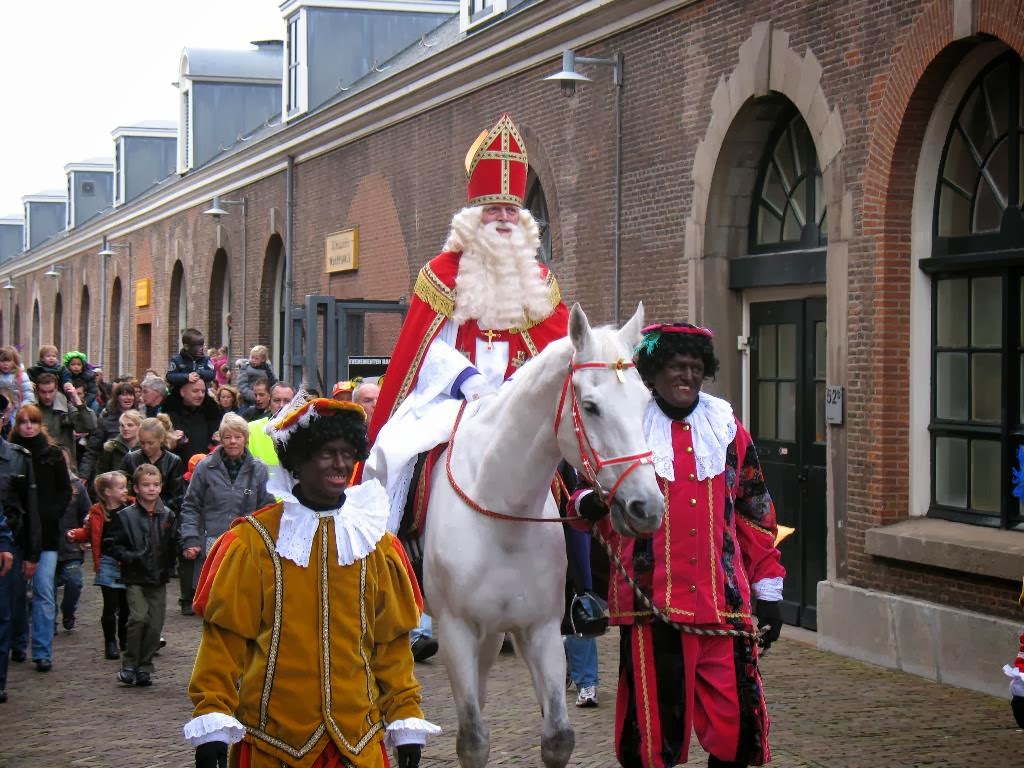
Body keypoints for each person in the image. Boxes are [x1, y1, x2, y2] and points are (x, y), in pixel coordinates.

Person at [184, 389, 438, 768]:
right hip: (273, 746)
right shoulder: (253, 543)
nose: (340, 464)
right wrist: (212, 721)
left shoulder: (375, 544)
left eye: (347, 454)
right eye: (327, 453)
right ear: (299, 461)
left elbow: (391, 648)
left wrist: (404, 714)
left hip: (358, 744)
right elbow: (223, 645)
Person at [571, 323, 785, 768]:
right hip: (654, 608)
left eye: (695, 366)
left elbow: (755, 511)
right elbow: (581, 493)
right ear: (654, 372)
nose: (687, 375)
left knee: (735, 732)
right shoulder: (629, 424)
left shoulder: (726, 428)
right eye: (675, 366)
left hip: (723, 607)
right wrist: (588, 502)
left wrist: (768, 589)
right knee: (653, 742)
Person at [365, 113, 569, 519]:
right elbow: (428, 351)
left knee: (577, 472)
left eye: (512, 210)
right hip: (453, 399)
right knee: (395, 452)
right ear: (474, 218)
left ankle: (583, 576)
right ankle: (393, 547)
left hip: (520, 402)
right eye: (494, 209)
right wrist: (469, 381)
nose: (505, 219)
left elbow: (559, 352)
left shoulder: (540, 281)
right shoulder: (440, 275)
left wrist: (519, 387)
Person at [10, 404, 72, 672]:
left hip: (46, 534)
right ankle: (19, 642)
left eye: (33, 422)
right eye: (23, 422)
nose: (28, 426)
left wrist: (52, 514)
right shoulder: (11, 455)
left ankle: (42, 650)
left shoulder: (53, 455)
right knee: (16, 593)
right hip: (17, 534)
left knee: (44, 591)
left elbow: (64, 491)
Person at [103, 464, 177, 687]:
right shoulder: (124, 516)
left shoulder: (168, 515)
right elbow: (110, 544)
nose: (151, 489)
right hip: (134, 575)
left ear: (161, 487)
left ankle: (144, 666)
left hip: (158, 577)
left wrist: (184, 551)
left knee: (155, 625)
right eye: (146, 485)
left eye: (155, 485)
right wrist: (131, 557)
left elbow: (174, 541)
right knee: (138, 618)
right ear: (136, 488)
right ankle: (129, 664)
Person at [179, 412, 274, 577]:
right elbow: (191, 506)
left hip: (246, 546)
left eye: (238, 437)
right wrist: (191, 538)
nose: (233, 441)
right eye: (227, 437)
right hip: (210, 545)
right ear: (221, 439)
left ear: (246, 439)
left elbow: (267, 510)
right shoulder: (204, 468)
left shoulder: (259, 470)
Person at [121, 418, 187, 612]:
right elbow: (124, 487)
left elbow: (177, 494)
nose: (146, 447)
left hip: (162, 515)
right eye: (142, 443)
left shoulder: (173, 461)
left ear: (161, 440)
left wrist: (158, 509)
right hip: (135, 514)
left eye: (151, 443)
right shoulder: (132, 458)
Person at [67, 471, 130, 660]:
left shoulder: (132, 507)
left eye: (126, 487)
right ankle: (110, 642)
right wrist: (75, 535)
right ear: (107, 492)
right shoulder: (97, 512)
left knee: (126, 605)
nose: (125, 490)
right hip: (107, 562)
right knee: (110, 605)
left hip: (127, 562)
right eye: (121, 487)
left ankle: (124, 638)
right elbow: (88, 532)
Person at [0, 391, 38, 703]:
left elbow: (29, 508)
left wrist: (32, 551)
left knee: (5, 613)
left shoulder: (16, 457)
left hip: (8, 544)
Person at [35, 372, 98, 467]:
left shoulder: (65, 408)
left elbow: (90, 426)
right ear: (37, 390)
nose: (47, 396)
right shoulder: (31, 409)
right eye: (43, 392)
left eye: (51, 391)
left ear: (56, 389)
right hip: (38, 464)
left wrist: (77, 400)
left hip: (65, 465)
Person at [55, 461, 89, 632]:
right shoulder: (39, 484)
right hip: (47, 546)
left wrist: (84, 535)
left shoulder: (77, 487)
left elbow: (86, 514)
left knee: (75, 582)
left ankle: (68, 611)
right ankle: (48, 621)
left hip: (71, 546)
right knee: (47, 588)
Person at [81, 382, 137, 482]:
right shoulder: (105, 421)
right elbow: (93, 450)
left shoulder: (141, 420)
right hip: (110, 475)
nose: (128, 398)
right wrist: (84, 474)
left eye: (130, 394)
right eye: (124, 394)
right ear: (117, 397)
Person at [165, 378, 222, 464]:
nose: (200, 395)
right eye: (195, 391)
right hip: (180, 468)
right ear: (182, 392)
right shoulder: (169, 416)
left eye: (203, 391)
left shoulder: (211, 414)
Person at [247, 381, 294, 469]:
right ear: (269, 402)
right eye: (276, 400)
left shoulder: (305, 430)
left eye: (287, 401)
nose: (281, 405)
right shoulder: (251, 428)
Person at [96, 409, 142, 476]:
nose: (125, 428)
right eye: (122, 425)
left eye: (130, 425)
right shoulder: (111, 447)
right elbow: (102, 474)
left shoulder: (145, 447)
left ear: (139, 427)